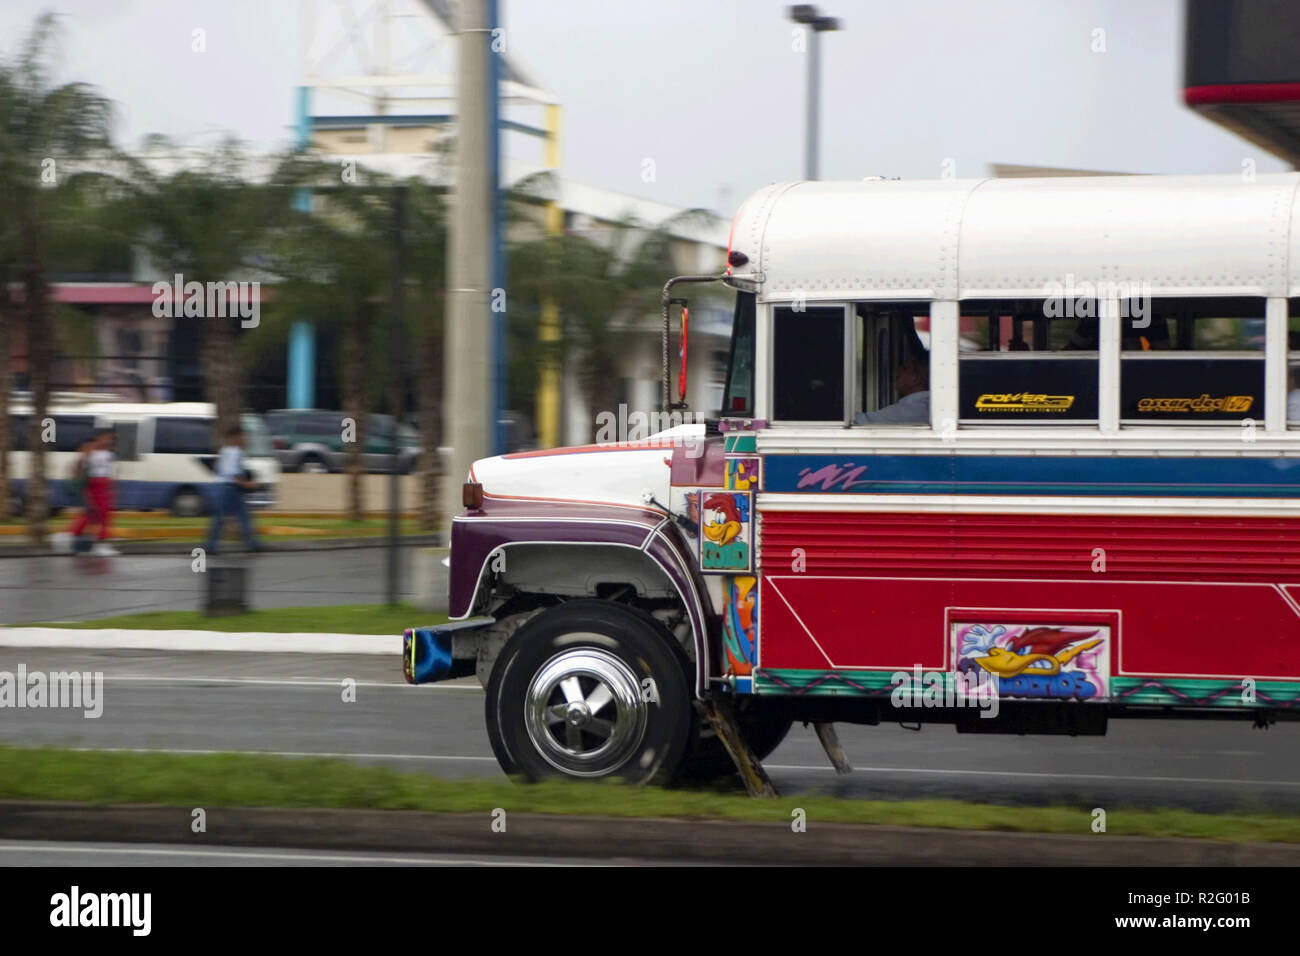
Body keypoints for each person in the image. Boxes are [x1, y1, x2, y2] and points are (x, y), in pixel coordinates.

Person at [205, 425, 262, 554]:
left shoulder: (224, 451)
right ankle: (211, 546)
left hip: (224, 487)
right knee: (227, 518)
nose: (246, 440)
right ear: (236, 438)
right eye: (244, 437)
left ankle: (253, 544)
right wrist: (249, 484)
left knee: (241, 516)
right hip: (230, 488)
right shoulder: (236, 452)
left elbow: (218, 470)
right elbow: (234, 474)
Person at [69, 429, 118, 556]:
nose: (110, 441)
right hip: (93, 486)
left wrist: (112, 487)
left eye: (112, 438)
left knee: (102, 515)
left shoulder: (109, 454)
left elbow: (110, 472)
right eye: (107, 437)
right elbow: (80, 469)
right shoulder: (90, 452)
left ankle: (77, 536)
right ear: (98, 438)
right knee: (95, 515)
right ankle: (98, 543)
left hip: (105, 486)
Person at [856, 354, 930, 424]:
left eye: (905, 368)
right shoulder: (928, 407)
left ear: (915, 379)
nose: (899, 370)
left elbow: (856, 422)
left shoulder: (910, 410)